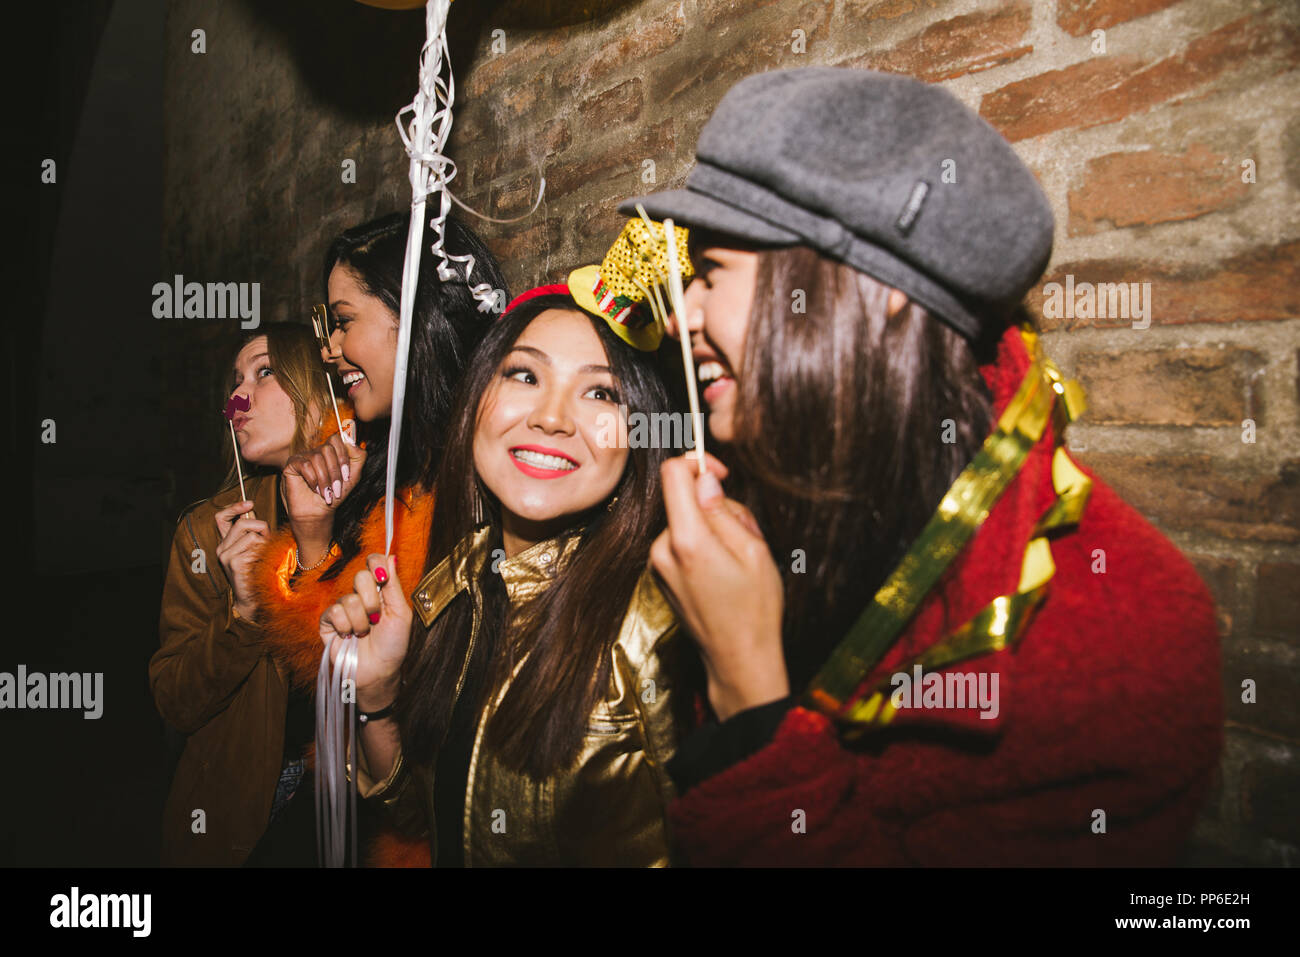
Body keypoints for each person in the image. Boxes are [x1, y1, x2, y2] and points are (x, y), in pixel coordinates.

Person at [621, 67, 1223, 865]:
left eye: (712, 273)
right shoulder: (773, 486)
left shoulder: (1128, 637)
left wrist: (749, 701)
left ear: (876, 288)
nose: (681, 313)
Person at [322, 286, 690, 866]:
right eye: (524, 376)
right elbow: (428, 824)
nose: (550, 418)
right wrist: (377, 695)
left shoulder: (658, 626)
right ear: (476, 401)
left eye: (600, 392)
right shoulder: (449, 588)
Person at [245, 212, 507, 865]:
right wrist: (310, 535)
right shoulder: (391, 469)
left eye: (341, 320)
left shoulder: (493, 485)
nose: (329, 349)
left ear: (411, 316)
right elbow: (335, 671)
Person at [152, 323, 342, 866]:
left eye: (264, 373)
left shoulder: (384, 504)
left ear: (316, 380)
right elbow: (174, 701)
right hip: (245, 824)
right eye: (235, 382)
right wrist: (244, 612)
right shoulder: (208, 530)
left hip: (356, 812)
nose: (236, 400)